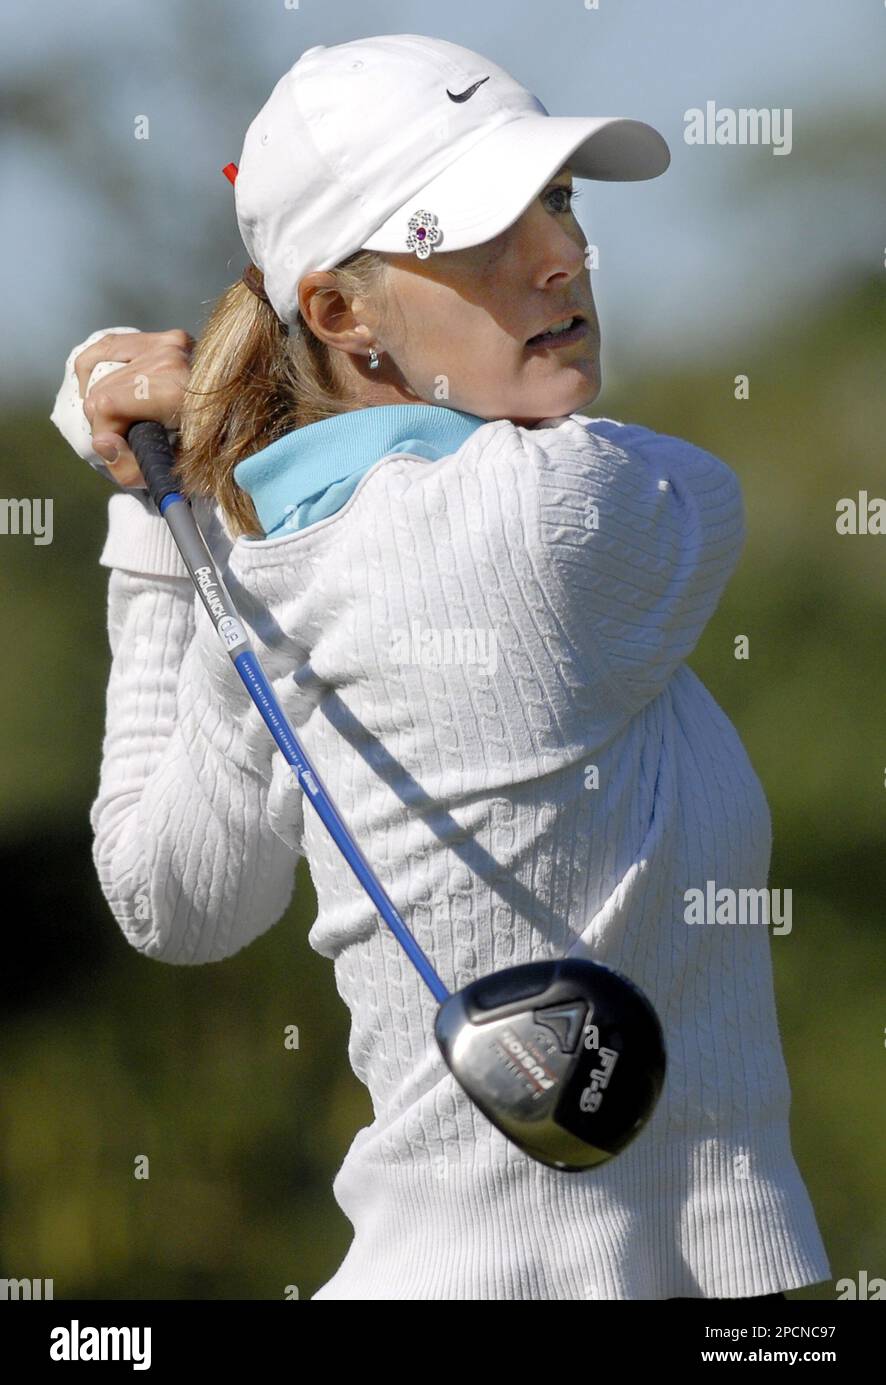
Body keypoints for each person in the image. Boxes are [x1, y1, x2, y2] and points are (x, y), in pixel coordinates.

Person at [50, 33, 830, 1301]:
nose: (560, 253)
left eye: (559, 199)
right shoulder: (561, 513)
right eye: (477, 230)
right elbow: (708, 489)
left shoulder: (269, 566)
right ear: (340, 311)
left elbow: (176, 904)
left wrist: (156, 522)